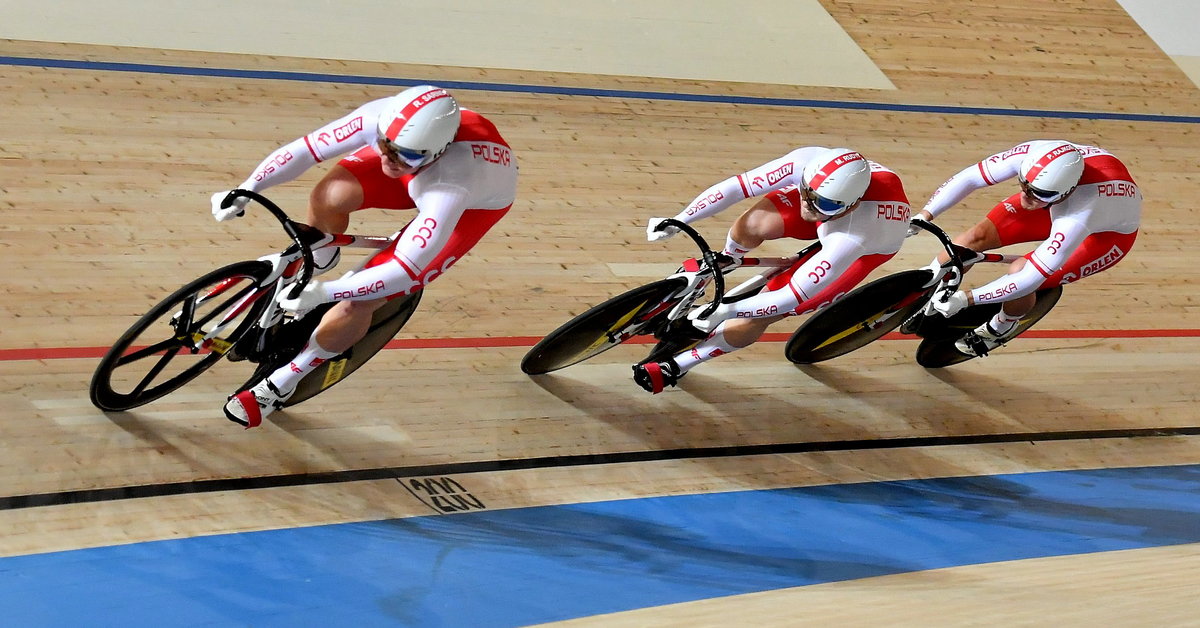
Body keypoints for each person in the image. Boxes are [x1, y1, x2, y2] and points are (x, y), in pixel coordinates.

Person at [212, 85, 518, 427]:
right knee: (329, 195)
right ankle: (324, 255)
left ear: (438, 150)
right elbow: (305, 150)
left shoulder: (451, 184)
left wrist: (327, 292)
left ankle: (282, 383)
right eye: (385, 146)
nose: (390, 159)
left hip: (471, 205)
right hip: (425, 168)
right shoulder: (380, 120)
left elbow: (404, 270)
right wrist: (248, 187)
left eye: (404, 156)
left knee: (359, 300)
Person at [634, 147, 912, 393]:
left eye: (821, 202)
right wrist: (681, 218)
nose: (807, 204)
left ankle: (679, 365)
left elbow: (791, 296)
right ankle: (726, 261)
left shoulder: (856, 235)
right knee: (753, 223)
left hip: (862, 249)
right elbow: (736, 187)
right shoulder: (808, 164)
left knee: (754, 315)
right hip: (834, 216)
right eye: (804, 191)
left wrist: (728, 310)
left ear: (850, 203)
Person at [913, 140, 1141, 356]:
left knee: (1020, 270)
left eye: (1038, 193)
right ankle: (924, 297)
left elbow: (1030, 278)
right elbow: (971, 177)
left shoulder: (1079, 215)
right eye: (1023, 185)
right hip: (1057, 204)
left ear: (1068, 189)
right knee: (974, 238)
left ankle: (1003, 325)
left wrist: (967, 299)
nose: (1025, 198)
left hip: (1106, 237)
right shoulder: (1036, 155)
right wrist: (925, 214)